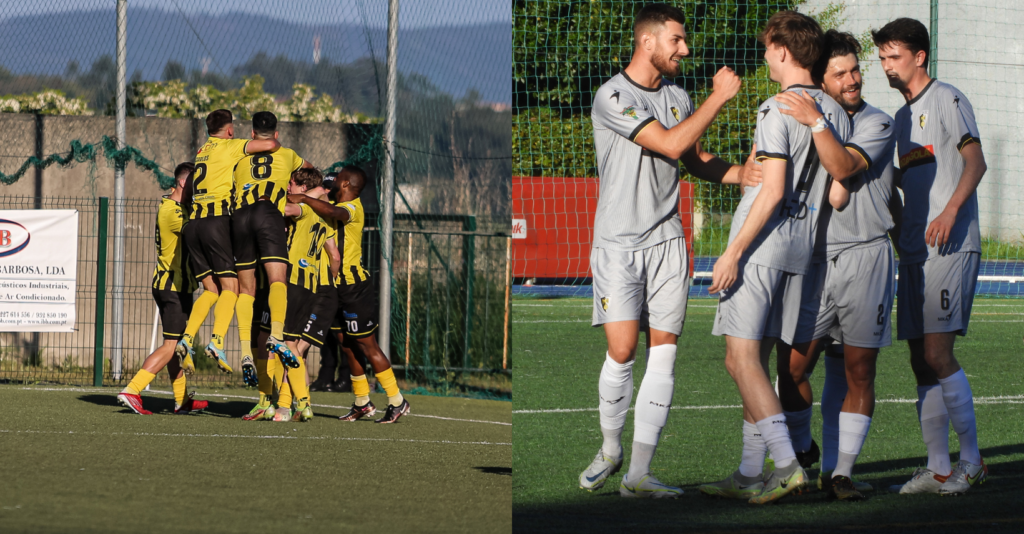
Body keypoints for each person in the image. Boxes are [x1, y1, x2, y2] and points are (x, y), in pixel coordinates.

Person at [574, 3, 757, 499]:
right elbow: (672, 144)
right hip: (617, 245)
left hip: (669, 242)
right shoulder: (612, 95)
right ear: (647, 42)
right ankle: (611, 449)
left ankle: (638, 475)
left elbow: (693, 158)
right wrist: (719, 99)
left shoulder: (677, 94)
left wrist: (740, 173)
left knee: (665, 353)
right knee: (622, 350)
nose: (685, 48)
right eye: (676, 39)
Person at [699, 10, 850, 505]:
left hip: (763, 247)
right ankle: (747, 472)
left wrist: (733, 251)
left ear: (783, 51)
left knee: (740, 359)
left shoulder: (775, 107)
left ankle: (786, 466)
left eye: (767, 47)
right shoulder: (832, 108)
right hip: (801, 251)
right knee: (759, 360)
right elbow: (837, 185)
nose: (764, 55)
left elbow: (773, 188)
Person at [769, 29, 903, 500]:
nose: (852, 80)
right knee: (793, 369)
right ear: (821, 80)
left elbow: (844, 170)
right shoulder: (806, 118)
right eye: (839, 73)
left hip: (867, 256)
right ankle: (804, 449)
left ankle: (841, 472)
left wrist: (816, 124)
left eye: (855, 71)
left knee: (858, 371)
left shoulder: (879, 122)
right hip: (815, 260)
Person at [874, 18, 987, 495]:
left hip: (951, 243)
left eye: (893, 56)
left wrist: (950, 211)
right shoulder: (899, 119)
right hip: (915, 252)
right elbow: (903, 185)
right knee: (920, 358)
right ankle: (938, 466)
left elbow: (975, 161)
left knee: (939, 353)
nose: (885, 66)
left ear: (919, 56)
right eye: (881, 58)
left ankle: (974, 461)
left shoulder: (948, 98)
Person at [290, 166, 411, 424]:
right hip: (335, 286)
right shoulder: (331, 200)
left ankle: (397, 400)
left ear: (346, 183)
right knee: (347, 344)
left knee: (368, 345)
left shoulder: (353, 208)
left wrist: (303, 198)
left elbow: (334, 212)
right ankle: (362, 402)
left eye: (339, 177)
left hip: (354, 287)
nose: (333, 180)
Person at [176, 109, 290, 375]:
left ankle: (188, 338)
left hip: (193, 224)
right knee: (232, 288)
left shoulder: (202, 151)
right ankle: (216, 341)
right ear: (229, 130)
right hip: (217, 221)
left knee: (210, 291)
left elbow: (187, 193)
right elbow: (271, 144)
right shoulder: (231, 147)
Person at [231, 110, 314, 416]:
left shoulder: (237, 154)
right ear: (276, 135)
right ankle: (278, 337)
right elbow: (312, 175)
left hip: (239, 217)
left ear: (252, 135)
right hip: (268, 215)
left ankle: (242, 352)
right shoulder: (289, 154)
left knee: (246, 291)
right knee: (277, 280)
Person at [117, 162, 209, 415]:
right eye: (195, 182)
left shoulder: (178, 207)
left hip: (177, 285)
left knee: (176, 345)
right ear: (182, 182)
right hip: (173, 287)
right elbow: (200, 234)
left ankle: (181, 400)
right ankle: (132, 390)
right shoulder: (174, 212)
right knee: (170, 345)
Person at [263, 167, 335, 422]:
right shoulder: (326, 217)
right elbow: (334, 255)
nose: (289, 188)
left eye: (291, 184)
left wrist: (267, 195)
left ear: (304, 188)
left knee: (279, 344)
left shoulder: (307, 208)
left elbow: (287, 209)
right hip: (312, 285)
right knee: (290, 344)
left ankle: (284, 402)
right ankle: (294, 404)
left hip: (292, 280)